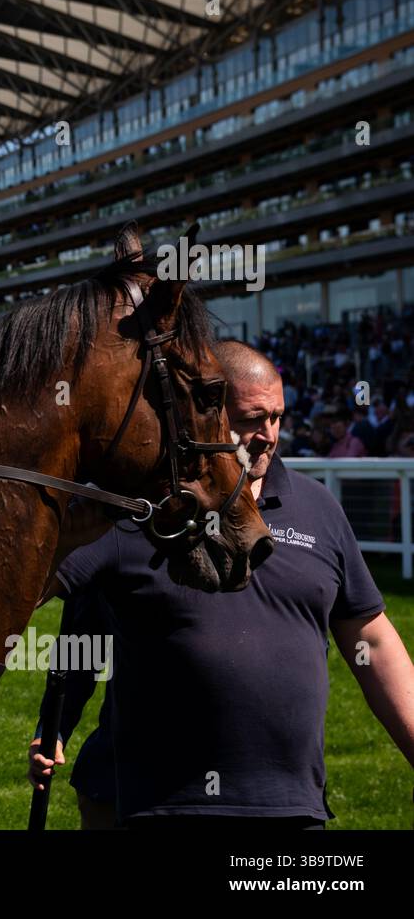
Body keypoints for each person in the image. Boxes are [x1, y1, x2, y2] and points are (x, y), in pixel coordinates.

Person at [29, 340, 414, 827]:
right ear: (206, 418)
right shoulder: (141, 512)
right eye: (252, 419)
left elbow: (372, 641)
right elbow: (71, 628)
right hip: (167, 807)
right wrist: (55, 726)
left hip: (293, 809)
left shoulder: (319, 508)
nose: (268, 435)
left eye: (277, 417)